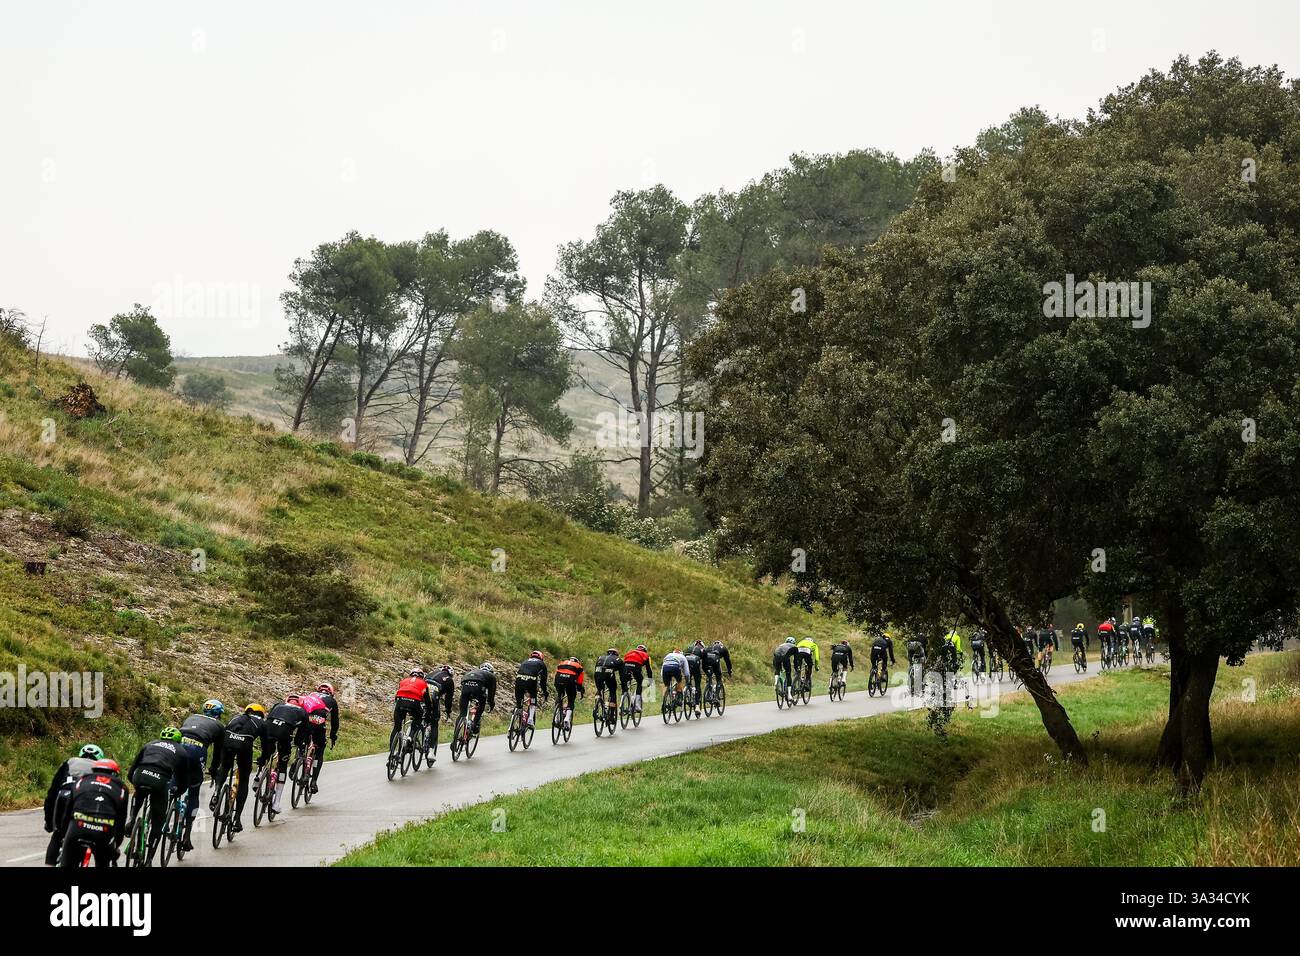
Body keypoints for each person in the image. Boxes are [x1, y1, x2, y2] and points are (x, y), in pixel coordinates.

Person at [126, 727, 192, 863]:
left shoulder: (149, 744)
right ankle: (149, 858)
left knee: (139, 793)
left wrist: (136, 783)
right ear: (178, 740)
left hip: (140, 775)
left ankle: (132, 819)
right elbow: (183, 780)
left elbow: (132, 769)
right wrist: (176, 793)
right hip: (160, 780)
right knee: (158, 822)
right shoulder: (181, 751)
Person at [56, 759, 127, 868]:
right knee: (103, 862)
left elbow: (67, 812)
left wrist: (64, 835)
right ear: (115, 774)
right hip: (103, 830)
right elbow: (121, 820)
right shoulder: (121, 787)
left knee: (67, 863)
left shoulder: (81, 780)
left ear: (93, 770)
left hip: (78, 826)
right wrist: (115, 846)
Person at [212, 704, 269, 832]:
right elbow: (266, 745)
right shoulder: (262, 723)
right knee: (243, 780)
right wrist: (263, 758)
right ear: (261, 714)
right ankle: (237, 819)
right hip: (244, 746)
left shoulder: (236, 717)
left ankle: (216, 792)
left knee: (225, 766)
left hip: (227, 742)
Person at [43, 744, 103, 866]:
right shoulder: (101, 768)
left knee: (57, 835)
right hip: (85, 802)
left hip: (63, 797)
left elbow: (52, 793)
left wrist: (49, 822)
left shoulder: (69, 762)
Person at [181, 699, 225, 850]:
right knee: (194, 791)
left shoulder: (191, 717)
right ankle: (186, 837)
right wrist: (213, 769)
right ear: (219, 714)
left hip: (178, 746)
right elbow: (218, 754)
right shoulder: (219, 726)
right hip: (197, 750)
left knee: (176, 780)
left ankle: (170, 805)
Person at [265, 694, 308, 814]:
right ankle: (276, 802)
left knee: (266, 754)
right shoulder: (303, 712)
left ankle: (258, 777)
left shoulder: (278, 705)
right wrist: (299, 744)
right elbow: (301, 734)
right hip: (284, 733)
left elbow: (268, 717)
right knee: (282, 767)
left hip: (269, 728)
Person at [297, 689, 332, 794]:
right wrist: (333, 736)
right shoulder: (332, 700)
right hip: (319, 723)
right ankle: (314, 781)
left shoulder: (312, 695)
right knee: (319, 751)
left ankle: (298, 758)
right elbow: (335, 721)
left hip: (307, 720)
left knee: (302, 740)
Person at [394, 669, 434, 752]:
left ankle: (391, 754)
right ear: (422, 677)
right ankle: (410, 737)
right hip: (414, 702)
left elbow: (398, 694)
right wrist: (428, 714)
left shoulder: (403, 681)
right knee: (418, 718)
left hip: (400, 701)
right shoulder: (424, 684)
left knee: (396, 728)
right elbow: (428, 702)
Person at [458, 662, 497, 734]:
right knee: (482, 704)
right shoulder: (491, 676)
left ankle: (455, 738)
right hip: (478, 686)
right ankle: (474, 724)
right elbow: (491, 694)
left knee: (462, 714)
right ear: (491, 671)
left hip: (466, 682)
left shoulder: (474, 671)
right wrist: (491, 704)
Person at [516, 652, 549, 727]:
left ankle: (511, 725)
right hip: (531, 681)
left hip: (519, 680)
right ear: (541, 658)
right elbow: (543, 682)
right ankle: (530, 719)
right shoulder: (541, 664)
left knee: (518, 704)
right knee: (533, 698)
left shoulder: (525, 661)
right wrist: (545, 692)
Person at [621, 644, 653, 714]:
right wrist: (650, 680)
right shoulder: (646, 655)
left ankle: (621, 705)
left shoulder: (630, 652)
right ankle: (637, 705)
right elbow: (649, 669)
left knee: (625, 685)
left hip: (626, 666)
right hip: (636, 666)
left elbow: (624, 661)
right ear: (645, 651)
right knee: (640, 682)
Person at [554, 656, 585, 729]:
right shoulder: (579, 667)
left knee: (559, 696)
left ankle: (557, 716)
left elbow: (557, 673)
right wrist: (580, 690)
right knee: (571, 700)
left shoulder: (561, 663)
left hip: (559, 679)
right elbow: (579, 683)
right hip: (570, 680)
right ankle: (567, 718)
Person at [428, 664, 455, 743]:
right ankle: (432, 747)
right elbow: (448, 699)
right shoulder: (449, 680)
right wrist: (448, 711)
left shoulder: (432, 673)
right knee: (434, 721)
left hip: (422, 692)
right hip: (434, 695)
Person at [593, 647, 622, 721]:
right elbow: (623, 674)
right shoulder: (618, 659)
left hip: (597, 674)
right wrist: (624, 685)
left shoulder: (600, 657)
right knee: (612, 691)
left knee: (599, 690)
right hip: (608, 674)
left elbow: (596, 668)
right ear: (616, 654)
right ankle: (612, 715)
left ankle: (596, 707)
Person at [683, 641, 705, 715]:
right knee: (697, 684)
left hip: (687, 663)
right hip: (695, 665)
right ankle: (697, 706)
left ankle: (687, 690)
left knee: (688, 681)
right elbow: (704, 662)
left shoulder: (688, 648)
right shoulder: (702, 650)